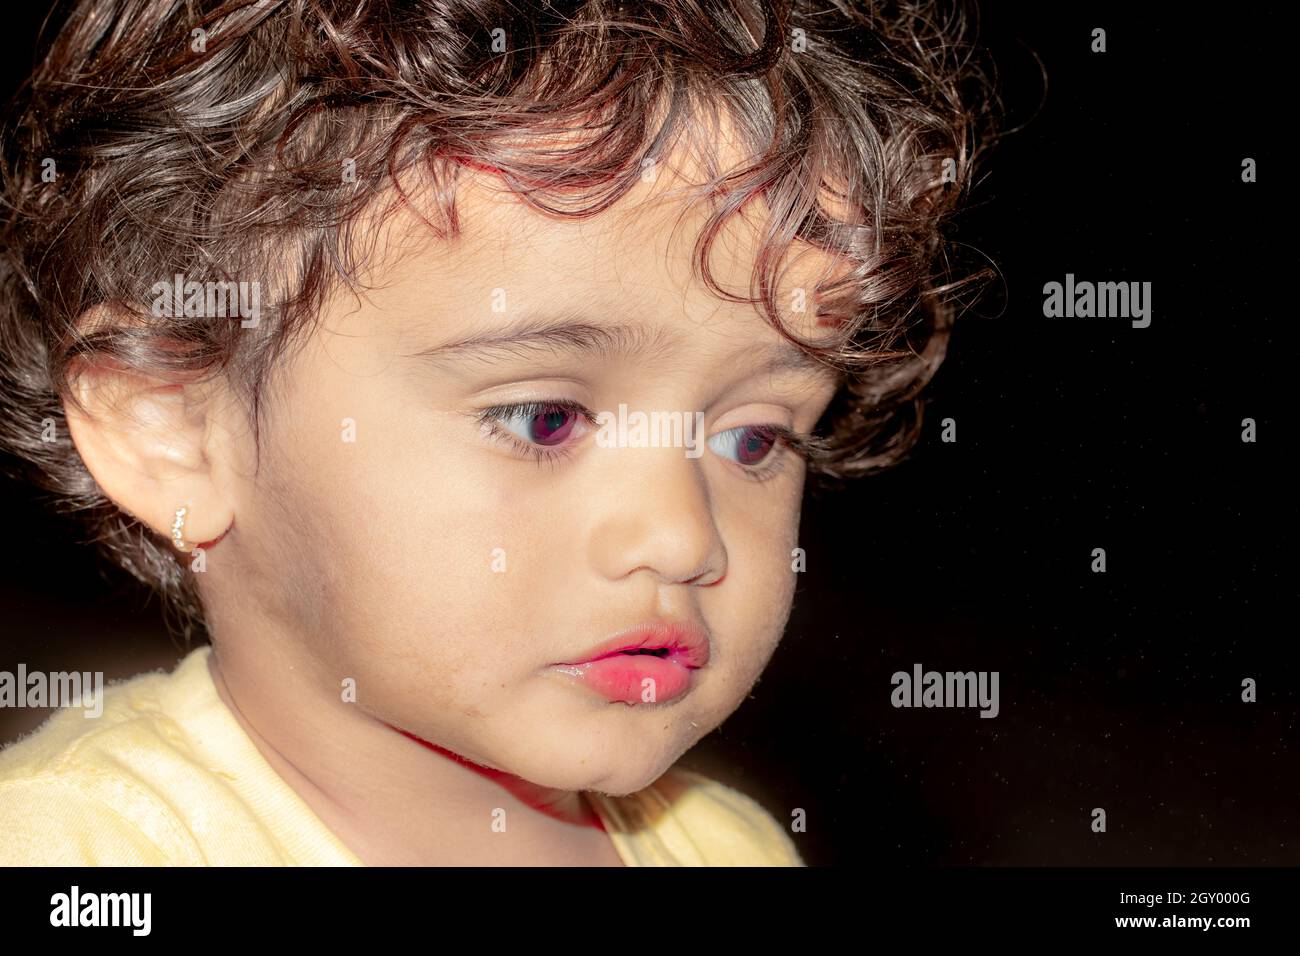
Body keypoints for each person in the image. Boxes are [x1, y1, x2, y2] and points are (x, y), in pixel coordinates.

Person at [0, 0, 991, 865]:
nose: (684, 537)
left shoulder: (732, 845)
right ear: (172, 426)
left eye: (752, 438)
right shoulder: (77, 850)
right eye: (544, 418)